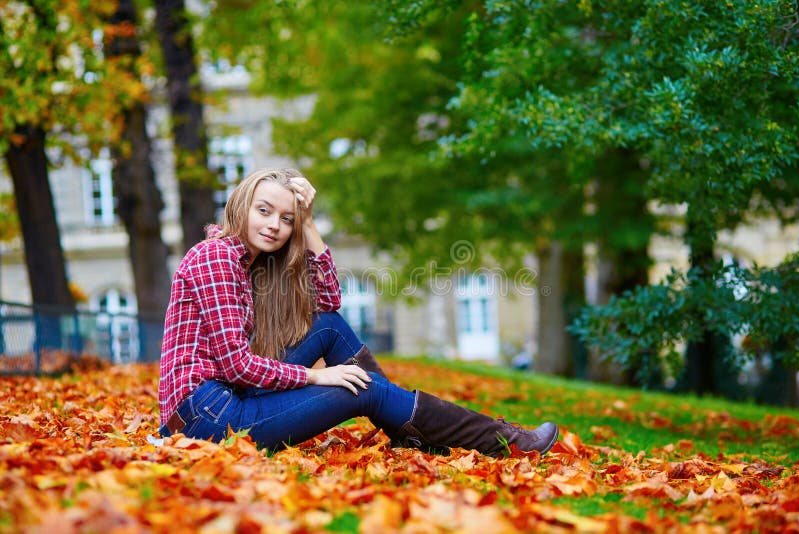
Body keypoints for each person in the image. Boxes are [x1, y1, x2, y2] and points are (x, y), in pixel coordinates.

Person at [158, 167, 558, 457]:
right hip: (208, 419)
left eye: (287, 219)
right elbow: (236, 365)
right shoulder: (215, 257)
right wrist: (318, 375)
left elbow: (329, 303)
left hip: (220, 403)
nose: (275, 226)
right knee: (363, 387)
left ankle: (410, 430)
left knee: (329, 328)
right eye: (264, 211)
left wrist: (310, 225)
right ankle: (507, 441)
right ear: (242, 204)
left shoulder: (247, 261)